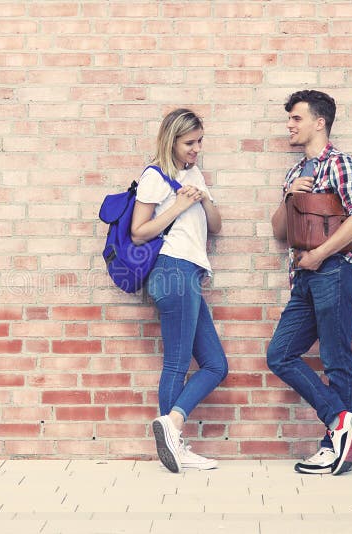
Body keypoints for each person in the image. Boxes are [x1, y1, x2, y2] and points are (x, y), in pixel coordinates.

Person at [268, 90, 352, 475]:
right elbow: (281, 231)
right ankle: (340, 421)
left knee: (335, 359)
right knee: (279, 354)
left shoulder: (340, 163)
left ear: (319, 122)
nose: (290, 126)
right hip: (305, 277)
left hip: (337, 269)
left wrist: (320, 254)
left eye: (296, 118)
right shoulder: (294, 174)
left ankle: (336, 450)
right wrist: (287, 197)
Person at [130, 108, 227, 473]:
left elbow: (216, 226)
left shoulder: (194, 174)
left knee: (216, 365)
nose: (196, 149)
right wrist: (180, 205)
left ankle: (171, 425)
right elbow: (139, 231)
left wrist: (201, 197)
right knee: (176, 362)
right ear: (171, 141)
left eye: (200, 142)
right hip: (171, 271)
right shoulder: (155, 176)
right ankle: (174, 439)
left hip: (190, 274)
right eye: (189, 143)